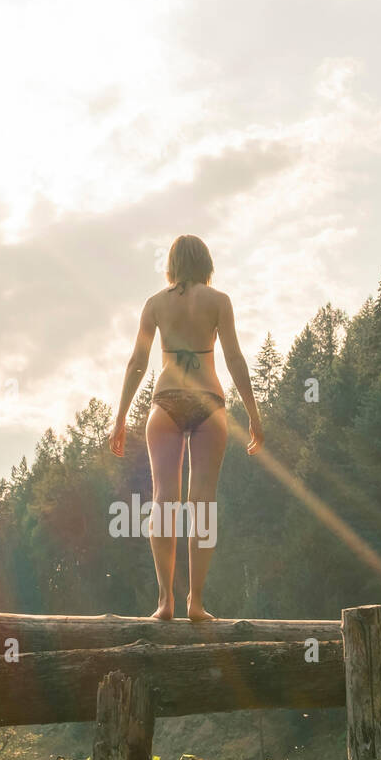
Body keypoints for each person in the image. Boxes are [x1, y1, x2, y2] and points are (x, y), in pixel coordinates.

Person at [109, 235, 264, 621]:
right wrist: (254, 414)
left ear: (173, 264)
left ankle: (165, 602)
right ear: (206, 263)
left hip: (165, 402)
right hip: (209, 402)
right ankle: (196, 601)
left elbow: (137, 363)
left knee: (164, 499)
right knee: (203, 503)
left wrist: (121, 417)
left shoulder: (155, 305)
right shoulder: (219, 302)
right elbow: (234, 359)